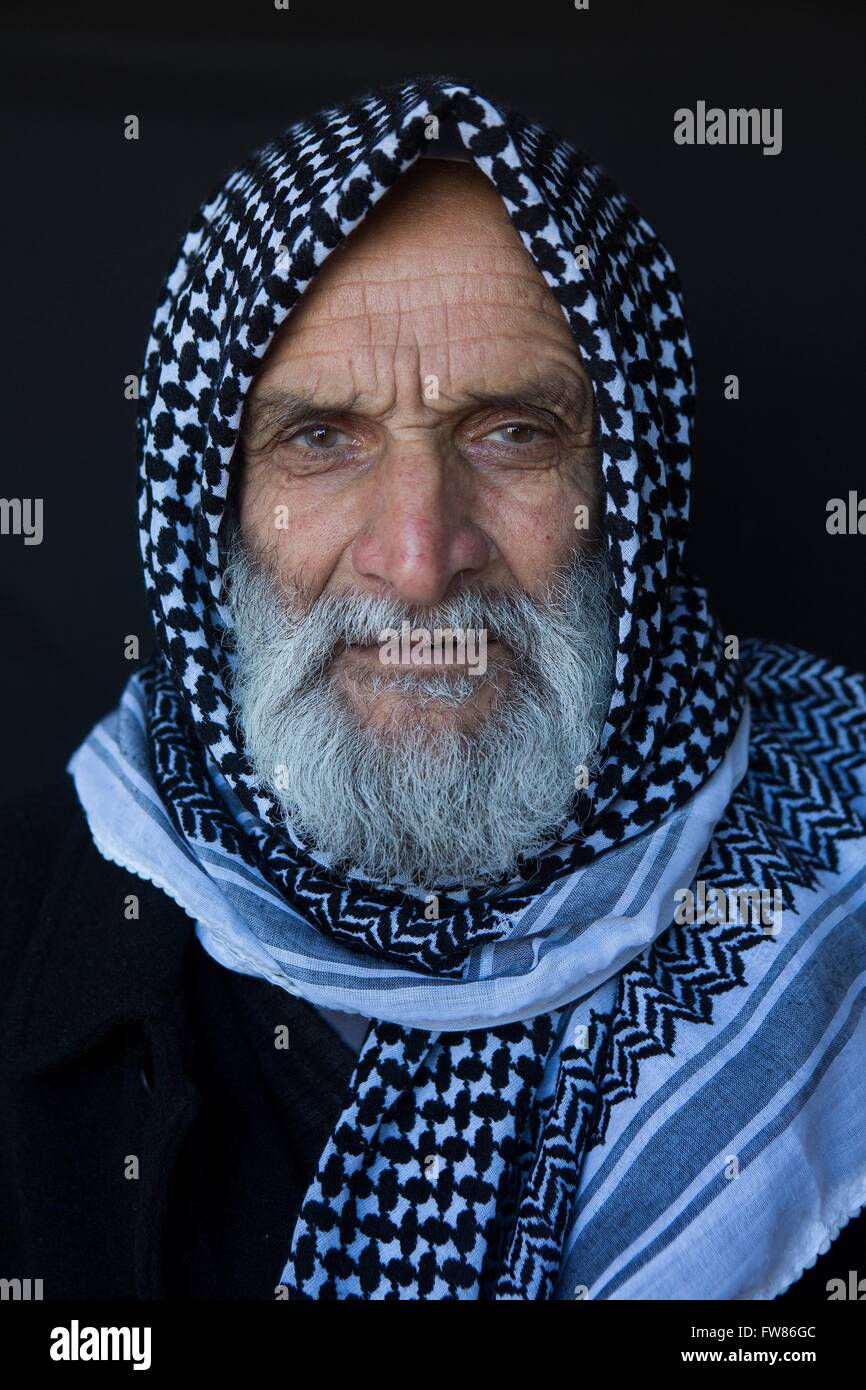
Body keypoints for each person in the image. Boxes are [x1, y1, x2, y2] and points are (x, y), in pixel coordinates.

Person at [2, 75, 865, 1301]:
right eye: (319, 438)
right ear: (212, 513)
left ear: (631, 494)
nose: (417, 557)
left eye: (510, 431)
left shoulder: (842, 849)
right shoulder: (31, 928)